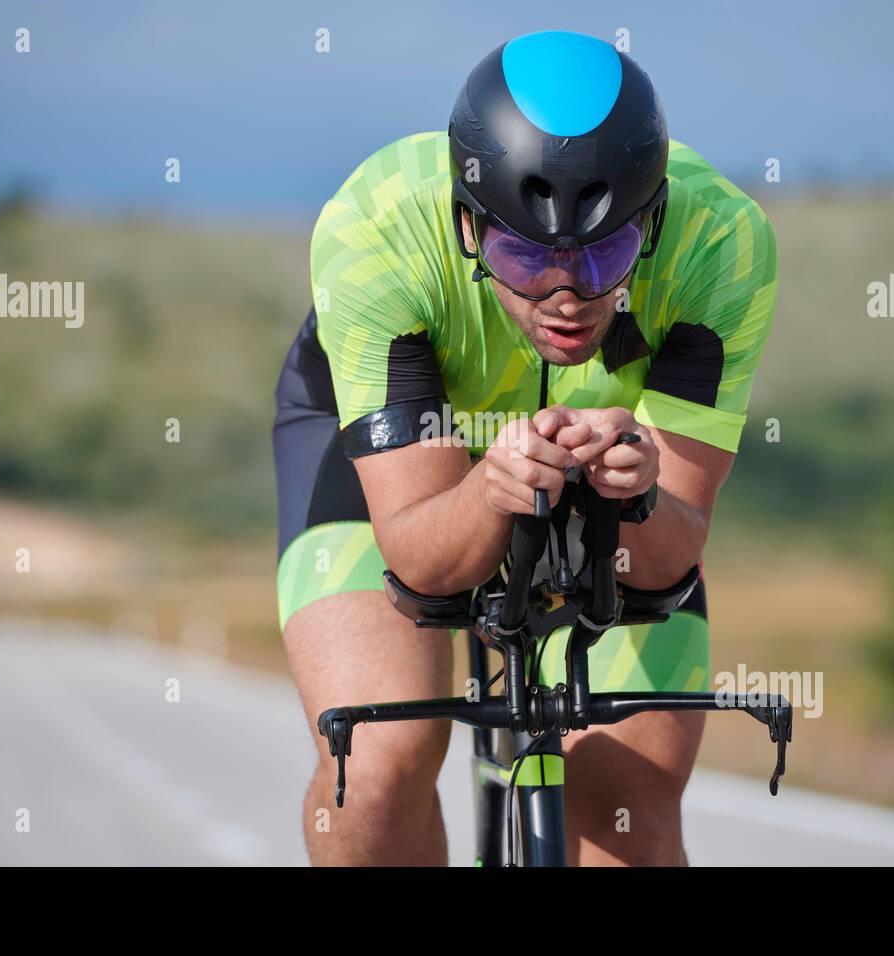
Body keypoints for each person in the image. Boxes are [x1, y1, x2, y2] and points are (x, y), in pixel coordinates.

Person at [273, 29, 777, 866]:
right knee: (373, 770)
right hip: (397, 456)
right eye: (523, 252)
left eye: (606, 252)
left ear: (651, 225)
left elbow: (667, 562)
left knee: (629, 799)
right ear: (469, 228)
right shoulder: (377, 228)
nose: (568, 294)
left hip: (595, 455)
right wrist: (486, 492)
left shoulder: (719, 244)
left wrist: (639, 492)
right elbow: (422, 565)